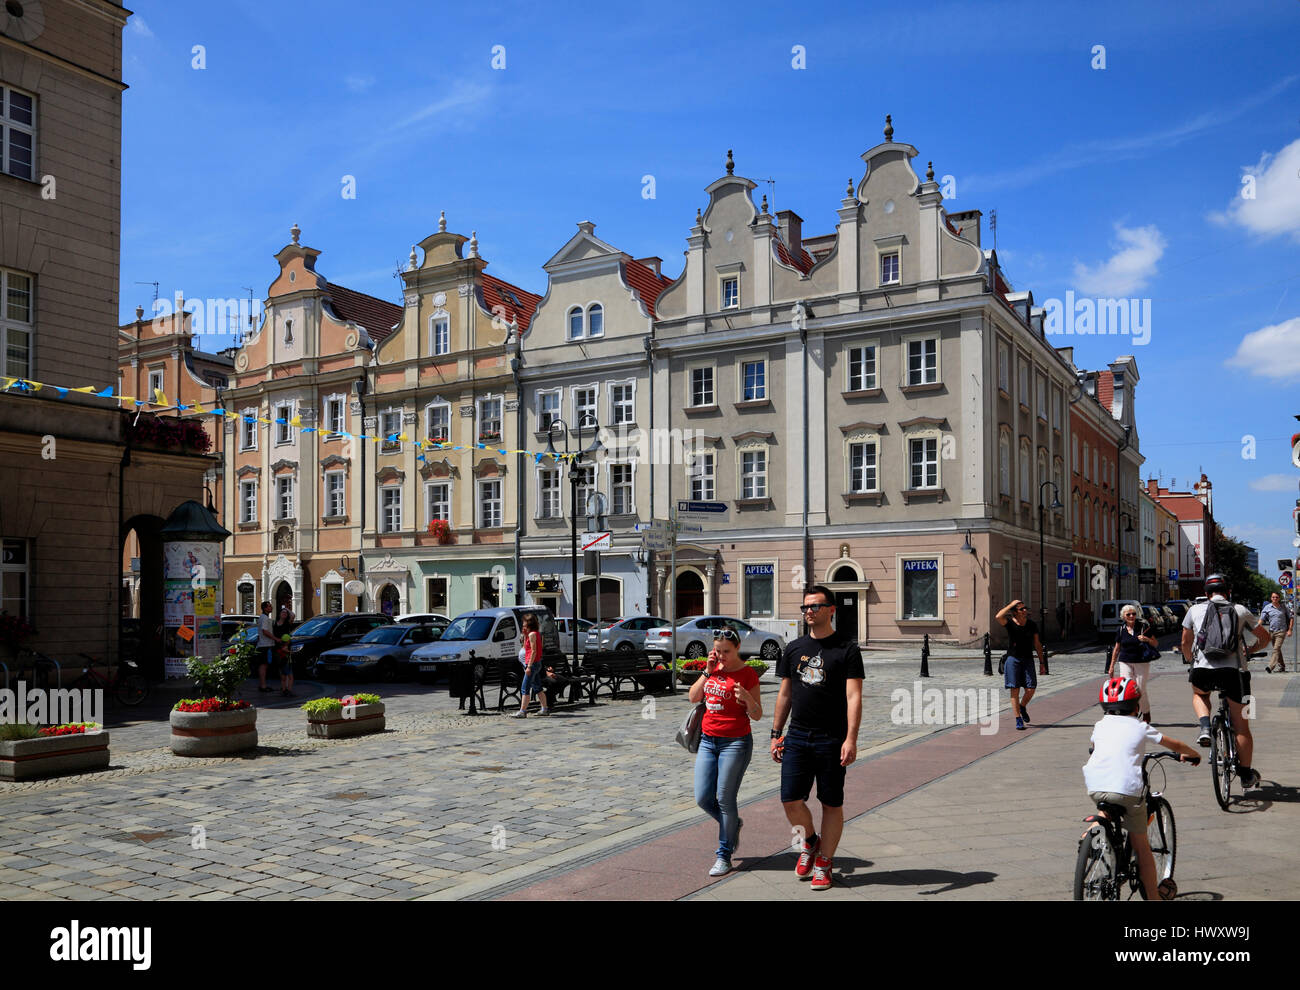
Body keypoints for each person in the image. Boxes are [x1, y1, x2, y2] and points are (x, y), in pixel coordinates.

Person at [770, 585, 864, 892]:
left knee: (831, 803)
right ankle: (810, 841)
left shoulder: (846, 649)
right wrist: (775, 733)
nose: (809, 611)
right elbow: (785, 694)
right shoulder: (794, 648)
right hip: (797, 735)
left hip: (832, 738)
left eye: (815, 606)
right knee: (790, 800)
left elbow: (854, 696)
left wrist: (850, 738)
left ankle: (825, 861)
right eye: (806, 607)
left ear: (831, 610)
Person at [1083, 676, 1200, 901]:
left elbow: (1096, 747)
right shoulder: (1140, 726)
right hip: (1127, 790)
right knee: (1141, 845)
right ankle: (1154, 899)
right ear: (1136, 706)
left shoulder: (1099, 725)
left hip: (1095, 786)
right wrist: (1192, 753)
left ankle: (1091, 833)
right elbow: (1173, 744)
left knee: (1106, 804)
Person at [1180, 573, 1270, 788]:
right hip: (1235, 673)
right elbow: (1265, 638)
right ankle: (1246, 775)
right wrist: (1249, 651)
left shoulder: (1194, 610)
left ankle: (1204, 727)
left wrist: (1190, 659)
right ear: (1228, 591)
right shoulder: (1240, 610)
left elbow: (1185, 640)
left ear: (1206, 593)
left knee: (1199, 694)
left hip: (1203, 669)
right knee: (1242, 726)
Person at [689, 628, 762, 877]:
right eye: (717, 651)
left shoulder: (748, 674)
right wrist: (707, 671)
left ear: (738, 648)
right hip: (708, 741)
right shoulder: (713, 670)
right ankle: (732, 824)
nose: (721, 656)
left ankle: (724, 855)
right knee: (702, 797)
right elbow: (692, 697)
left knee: (724, 799)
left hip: (736, 743)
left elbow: (758, 714)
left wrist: (748, 700)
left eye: (726, 652)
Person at [995, 598, 1045, 730]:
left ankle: (1022, 706)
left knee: (1031, 688)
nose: (1024, 611)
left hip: (1028, 659)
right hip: (1013, 659)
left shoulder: (1032, 625)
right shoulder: (1010, 623)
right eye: (1021, 609)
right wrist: (1011, 604)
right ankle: (1018, 719)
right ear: (1015, 612)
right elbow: (998, 616)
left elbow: (1037, 644)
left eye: (1025, 608)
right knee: (1015, 689)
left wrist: (1042, 662)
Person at [1108, 605, 1159, 723]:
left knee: (1140, 689)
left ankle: (1146, 712)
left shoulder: (1143, 627)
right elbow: (1117, 649)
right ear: (1124, 617)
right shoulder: (1121, 630)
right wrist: (1111, 666)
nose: (1132, 616)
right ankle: (1132, 712)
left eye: (1134, 614)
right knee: (1127, 688)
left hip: (1141, 661)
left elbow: (1155, 643)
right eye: (1128, 614)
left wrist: (1147, 639)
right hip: (1125, 661)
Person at [512, 612, 546, 718]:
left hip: (533, 664)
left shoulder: (532, 635)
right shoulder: (534, 633)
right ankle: (544, 709)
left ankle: (522, 711)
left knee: (524, 688)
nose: (523, 625)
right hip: (536, 663)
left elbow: (533, 651)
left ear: (529, 623)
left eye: (524, 623)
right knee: (538, 687)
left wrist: (529, 666)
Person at [1259, 591, 1292, 673]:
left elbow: (1291, 617)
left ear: (1279, 598)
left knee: (1276, 649)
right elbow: (1262, 619)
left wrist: (1290, 629)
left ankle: (1270, 666)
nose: (1275, 598)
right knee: (1277, 650)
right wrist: (1257, 628)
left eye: (1277, 597)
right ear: (1271, 598)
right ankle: (1282, 666)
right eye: (1273, 597)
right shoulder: (1267, 607)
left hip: (1281, 631)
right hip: (1272, 631)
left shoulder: (1284, 607)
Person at [274, 601, 296, 697]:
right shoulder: (275, 624)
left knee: (289, 672)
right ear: (279, 614)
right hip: (278, 649)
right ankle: (284, 689)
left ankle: (289, 690)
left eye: (285, 613)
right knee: (282, 672)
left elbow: (293, 615)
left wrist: (285, 608)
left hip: (286, 649)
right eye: (282, 612)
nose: (284, 614)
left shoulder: (287, 624)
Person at [255, 601, 275, 693]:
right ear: (265, 608)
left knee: (263, 665)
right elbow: (264, 631)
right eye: (269, 606)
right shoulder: (265, 618)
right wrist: (276, 639)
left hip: (262, 644)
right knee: (263, 666)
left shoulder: (262, 617)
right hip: (265, 645)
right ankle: (263, 686)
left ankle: (262, 685)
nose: (271, 607)